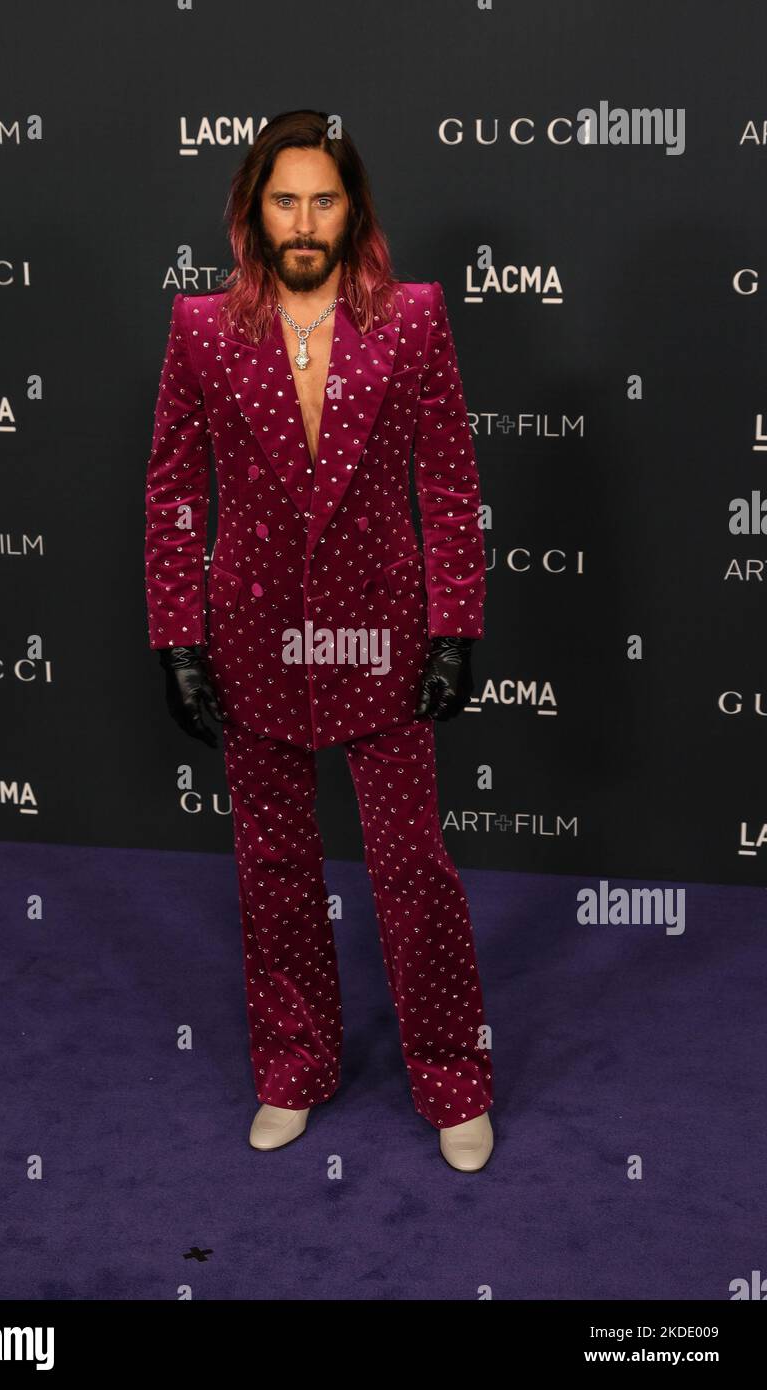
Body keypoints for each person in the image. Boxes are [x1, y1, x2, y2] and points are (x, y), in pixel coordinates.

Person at [144, 110, 494, 1172]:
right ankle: (292, 1065)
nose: (304, 221)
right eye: (284, 199)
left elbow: (446, 482)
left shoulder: (415, 319)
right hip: (252, 633)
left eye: (323, 199)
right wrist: (177, 639)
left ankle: (450, 1075)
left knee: (409, 866)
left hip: (379, 634)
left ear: (353, 209)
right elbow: (171, 490)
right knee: (273, 865)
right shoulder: (202, 328)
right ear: (254, 211)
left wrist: (453, 627)